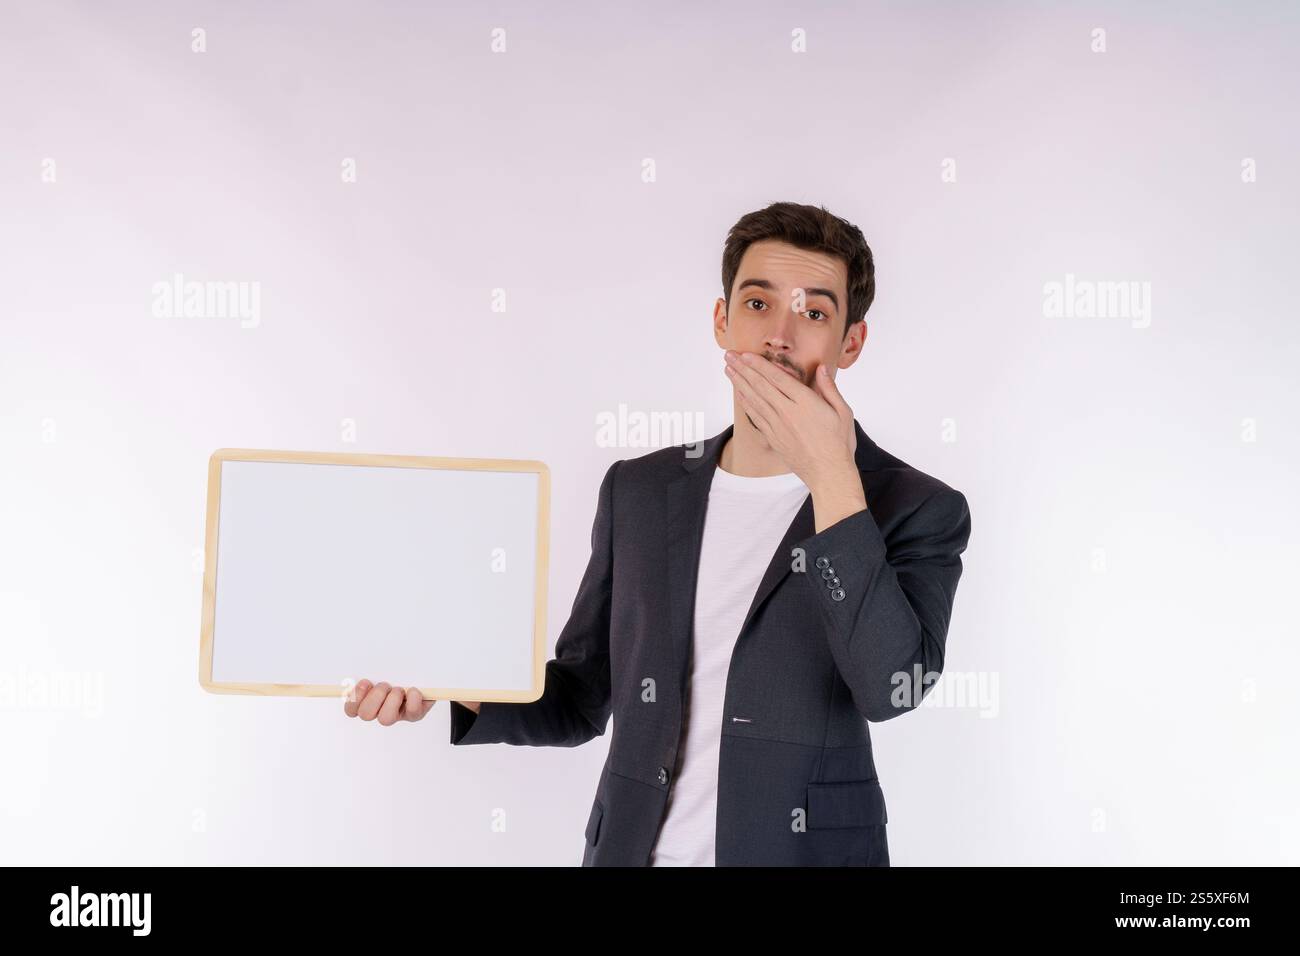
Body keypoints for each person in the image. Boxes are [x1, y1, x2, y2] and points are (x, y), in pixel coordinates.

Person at [344, 201, 972, 866]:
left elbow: (891, 687)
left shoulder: (916, 507)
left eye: (813, 312)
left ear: (851, 341)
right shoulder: (639, 490)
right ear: (722, 321)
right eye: (757, 305)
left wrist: (833, 483)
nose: (779, 336)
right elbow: (582, 699)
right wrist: (450, 679)